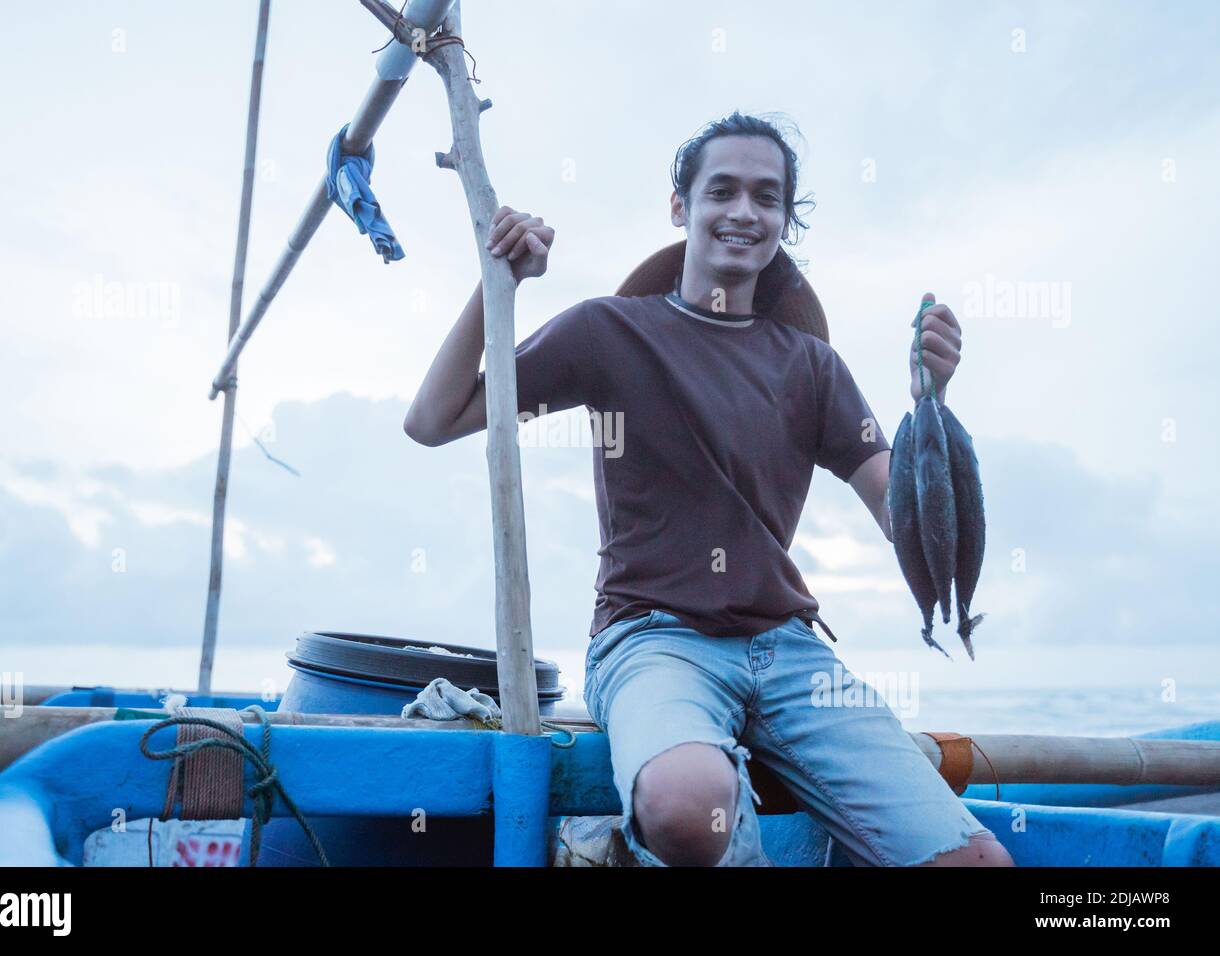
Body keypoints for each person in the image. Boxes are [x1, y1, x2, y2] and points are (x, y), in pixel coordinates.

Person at [404, 111, 1013, 867]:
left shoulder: (813, 368)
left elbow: (906, 525)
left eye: (767, 197)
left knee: (978, 863)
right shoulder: (607, 333)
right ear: (679, 207)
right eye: (721, 190)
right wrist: (497, 282)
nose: (744, 212)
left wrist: (931, 405)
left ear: (785, 221)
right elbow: (433, 420)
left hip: (790, 652)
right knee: (689, 806)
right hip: (652, 638)